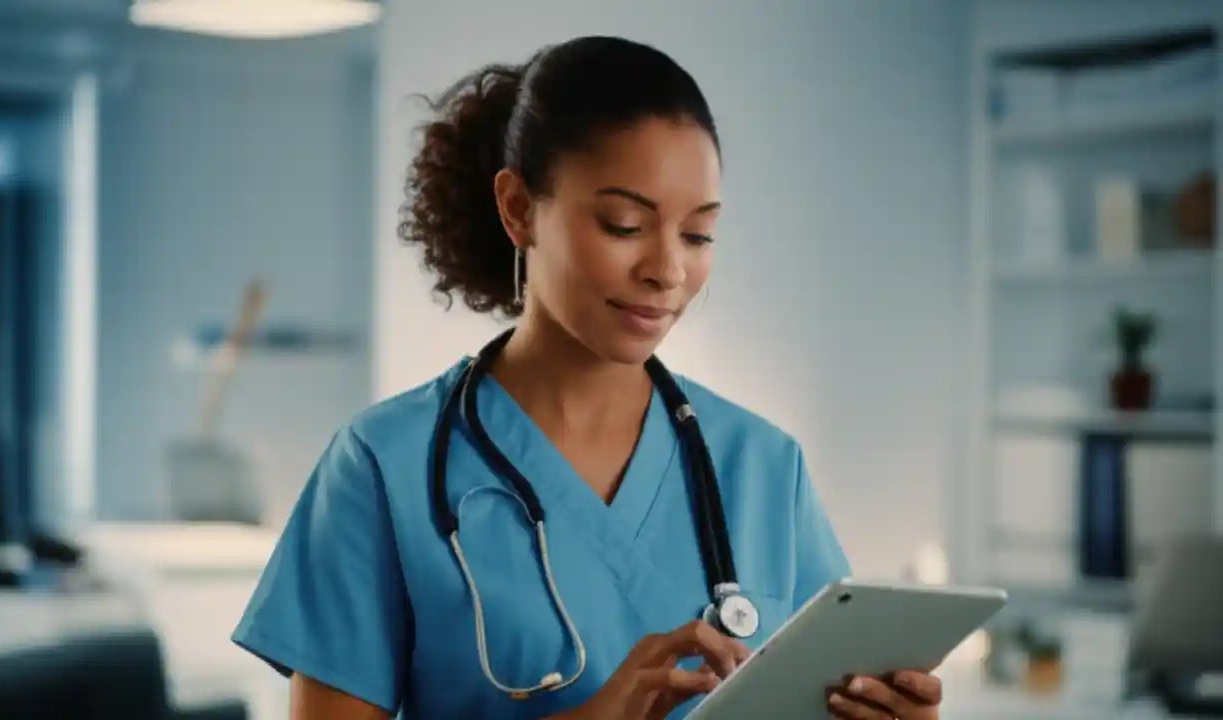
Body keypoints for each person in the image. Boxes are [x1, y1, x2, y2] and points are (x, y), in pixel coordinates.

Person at [232, 36, 944, 720]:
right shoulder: (383, 467)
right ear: (518, 209)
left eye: (697, 235)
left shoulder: (762, 468)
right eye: (625, 224)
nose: (667, 270)